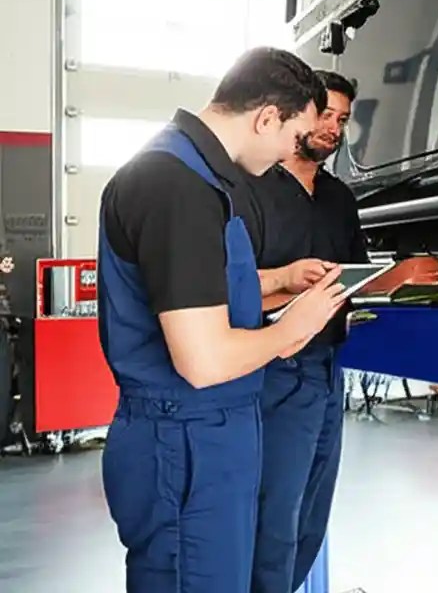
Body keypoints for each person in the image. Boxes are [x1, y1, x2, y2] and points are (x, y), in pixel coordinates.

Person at [96, 47, 350, 593]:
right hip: (183, 444)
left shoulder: (202, 179)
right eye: (295, 134)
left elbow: (204, 293)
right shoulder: (175, 186)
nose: (293, 150)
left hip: (210, 437)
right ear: (265, 118)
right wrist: (292, 329)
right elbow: (203, 358)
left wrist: (280, 282)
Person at [248, 70, 367, 593]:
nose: (334, 128)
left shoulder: (340, 197)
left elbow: (357, 270)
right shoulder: (251, 189)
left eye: (343, 119)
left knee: (314, 506)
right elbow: (226, 287)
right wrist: (286, 288)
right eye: (326, 115)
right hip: (275, 366)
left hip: (327, 367)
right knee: (276, 508)